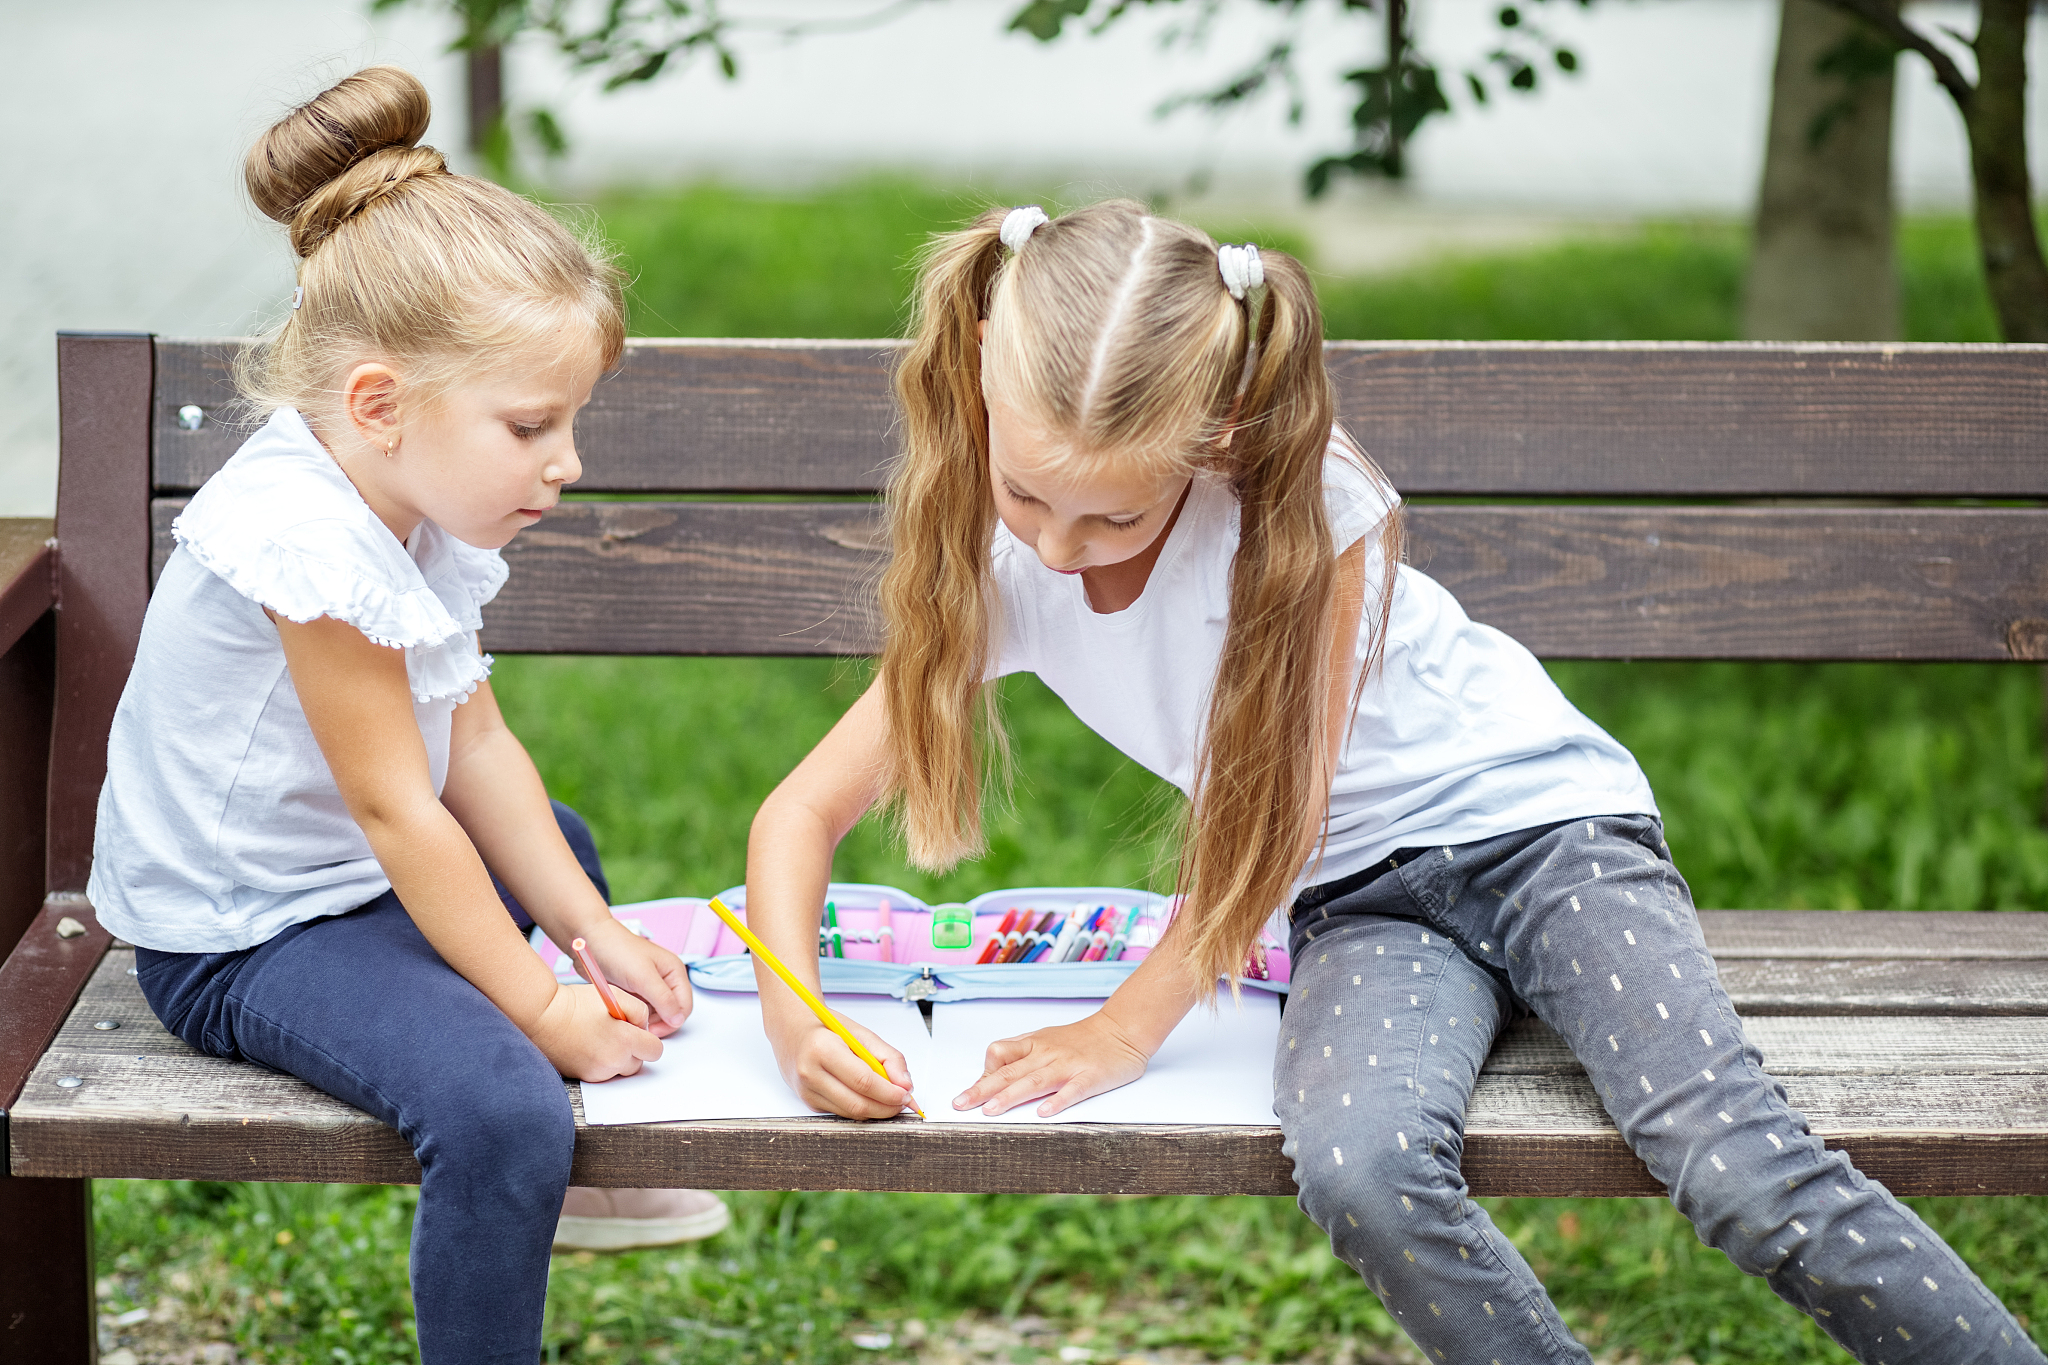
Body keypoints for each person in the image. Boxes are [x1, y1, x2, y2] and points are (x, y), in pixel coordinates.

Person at [743, 199, 2043, 1365]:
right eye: (1028, 493)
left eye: (1113, 517)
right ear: (978, 379)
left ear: (1215, 435)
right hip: (1360, 905)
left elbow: (1275, 816)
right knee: (1362, 1165)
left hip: (1544, 834)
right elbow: (799, 812)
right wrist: (798, 1019)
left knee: (1732, 1161)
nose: (1058, 547)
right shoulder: (1006, 565)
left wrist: (1121, 1028)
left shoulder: (1309, 503)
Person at [89, 67, 720, 1362]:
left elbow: (474, 741)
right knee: (503, 1113)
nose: (568, 462)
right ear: (380, 403)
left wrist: (588, 928)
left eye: (571, 422)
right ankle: (528, 1172)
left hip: (349, 871)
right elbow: (397, 805)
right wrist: (545, 1016)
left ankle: (560, 1193)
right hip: (243, 933)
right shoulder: (303, 540)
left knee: (566, 847)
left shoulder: (401, 495)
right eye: (533, 425)